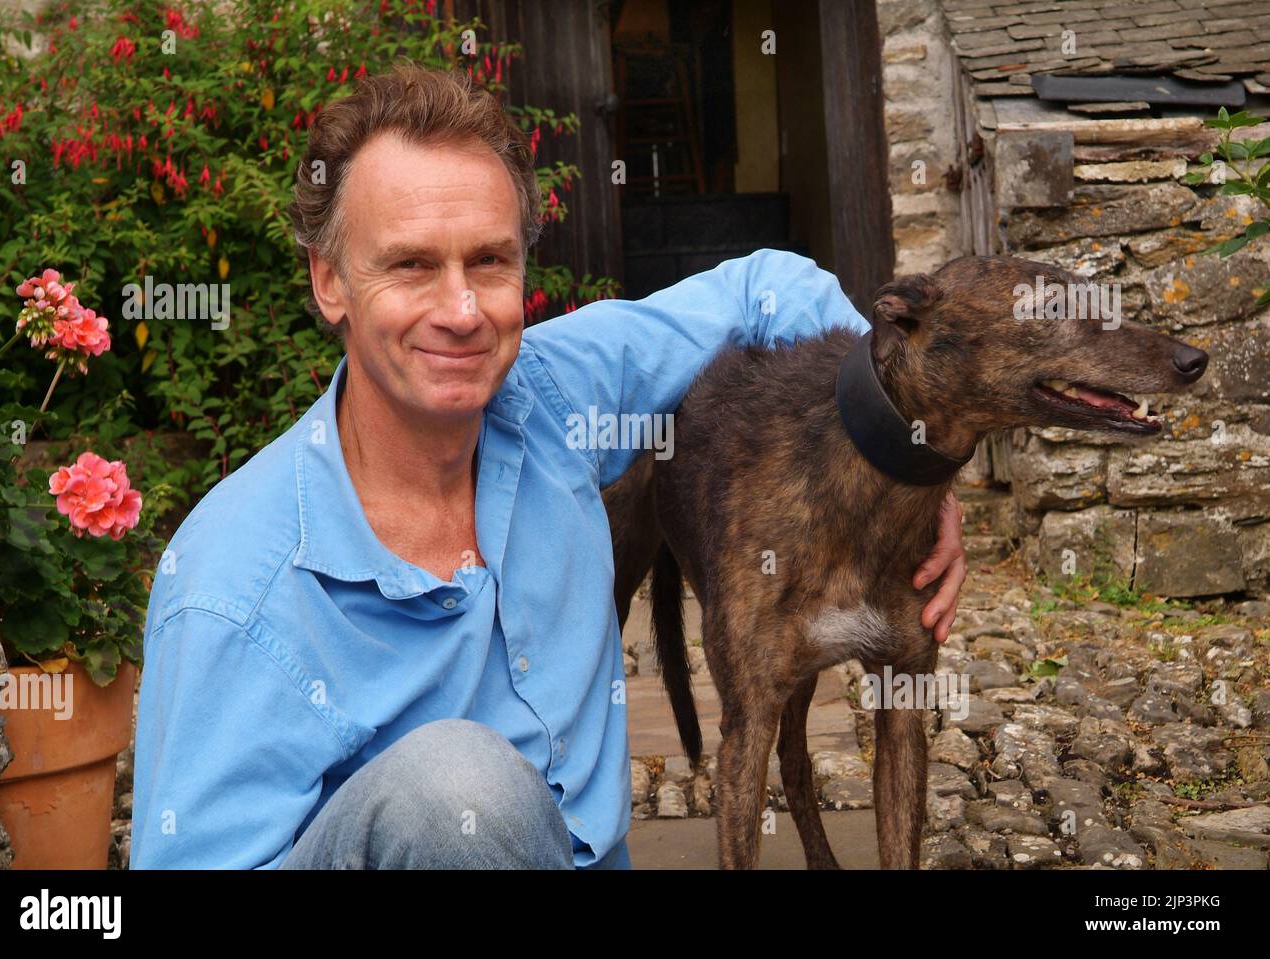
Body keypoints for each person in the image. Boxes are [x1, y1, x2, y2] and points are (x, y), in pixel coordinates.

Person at [129, 62, 966, 870]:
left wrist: (902, 456)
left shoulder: (557, 396)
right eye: (412, 264)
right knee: (461, 788)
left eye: (489, 261)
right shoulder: (231, 586)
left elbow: (769, 288)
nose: (460, 310)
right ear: (330, 281)